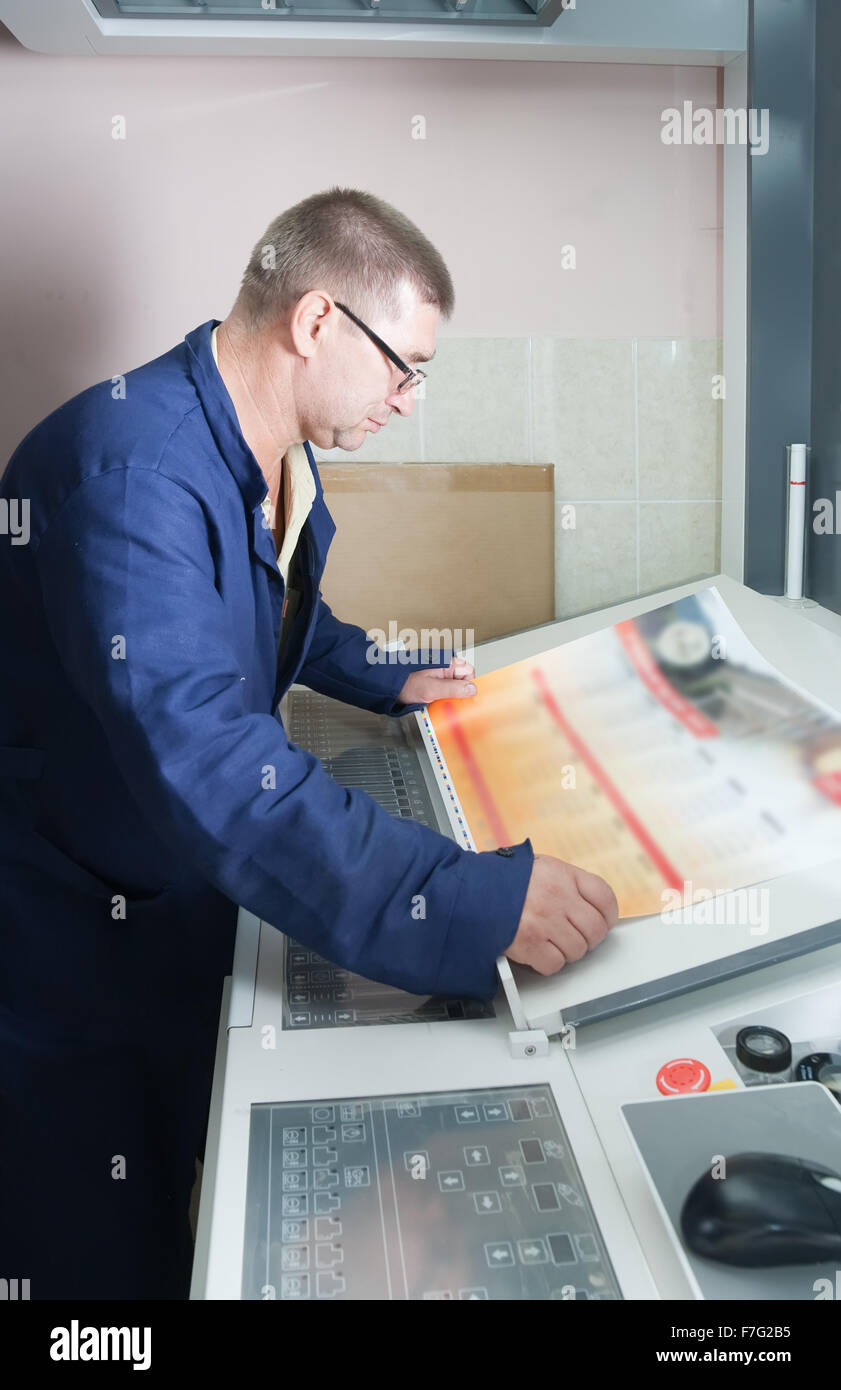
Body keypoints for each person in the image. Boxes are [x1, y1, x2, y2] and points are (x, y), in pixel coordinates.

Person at [0, 187, 618, 1300]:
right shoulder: (133, 470)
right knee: (91, 1254)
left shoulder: (261, 443)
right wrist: (465, 903)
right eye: (403, 366)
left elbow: (257, 607)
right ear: (319, 319)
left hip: (162, 896)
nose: (407, 399)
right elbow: (216, 767)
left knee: (171, 1186)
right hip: (63, 946)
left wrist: (377, 670)